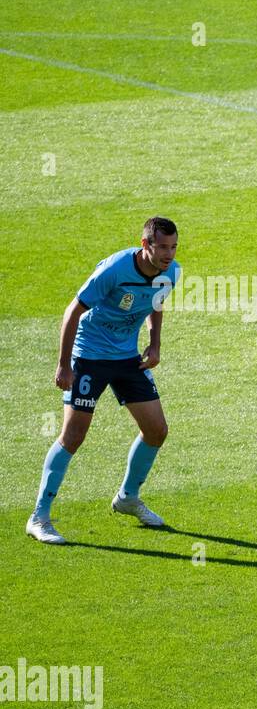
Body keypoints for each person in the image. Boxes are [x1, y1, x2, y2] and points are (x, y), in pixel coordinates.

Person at [27, 217, 181, 544]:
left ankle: (127, 497)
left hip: (127, 358)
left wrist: (154, 343)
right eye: (163, 247)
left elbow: (156, 302)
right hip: (89, 356)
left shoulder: (172, 272)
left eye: (173, 247)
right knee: (74, 435)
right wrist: (64, 366)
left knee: (157, 431)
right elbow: (74, 311)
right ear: (146, 245)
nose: (169, 254)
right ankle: (39, 516)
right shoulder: (115, 270)